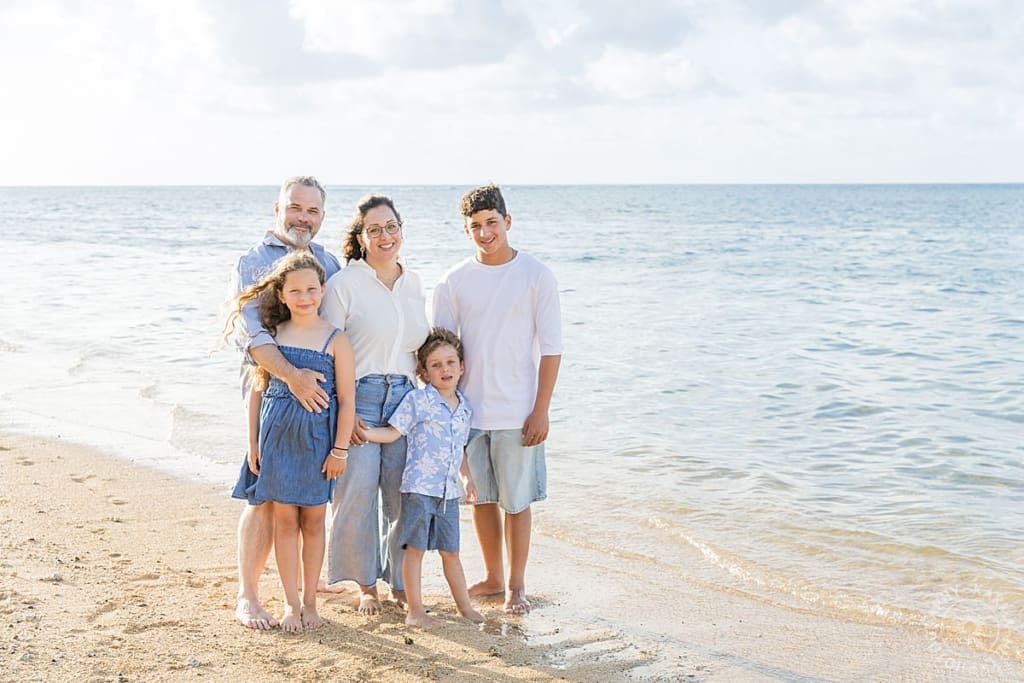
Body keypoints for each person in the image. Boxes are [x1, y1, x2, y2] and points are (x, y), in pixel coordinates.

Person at [432, 184, 562, 615]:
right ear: (465, 230)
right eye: (475, 226)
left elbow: (551, 348)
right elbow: (442, 354)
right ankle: (492, 575)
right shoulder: (453, 282)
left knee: (516, 501)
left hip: (519, 410)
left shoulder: (536, 276)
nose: (484, 233)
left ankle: (516, 586)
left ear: (507, 222)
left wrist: (541, 409)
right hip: (469, 412)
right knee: (480, 498)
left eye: (491, 223)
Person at [226, 176, 342, 630]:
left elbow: (335, 331)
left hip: (316, 406)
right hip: (270, 397)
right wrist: (292, 378)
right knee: (264, 498)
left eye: (312, 211)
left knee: (309, 500)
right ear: (277, 207)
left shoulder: (328, 262)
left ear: (322, 217)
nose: (303, 218)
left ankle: (302, 592)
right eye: (296, 207)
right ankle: (248, 596)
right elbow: (251, 336)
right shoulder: (253, 262)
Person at [320, 194, 430, 615]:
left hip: (405, 399)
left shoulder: (414, 282)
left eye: (392, 227)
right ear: (361, 237)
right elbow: (328, 350)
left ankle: (401, 582)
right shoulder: (345, 284)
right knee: (357, 493)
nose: (386, 236)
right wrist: (342, 411)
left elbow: (417, 347)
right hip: (360, 396)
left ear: (401, 229)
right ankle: (366, 584)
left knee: (402, 495)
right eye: (375, 229)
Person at [357, 328, 485, 627]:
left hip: (448, 493)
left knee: (451, 551)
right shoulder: (418, 400)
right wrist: (364, 433)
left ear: (462, 366)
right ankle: (415, 611)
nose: (445, 369)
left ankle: (464, 607)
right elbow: (393, 432)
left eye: (451, 362)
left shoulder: (465, 408)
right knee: (414, 550)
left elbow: (461, 450)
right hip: (419, 489)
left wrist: (468, 478)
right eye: (436, 365)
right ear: (424, 372)